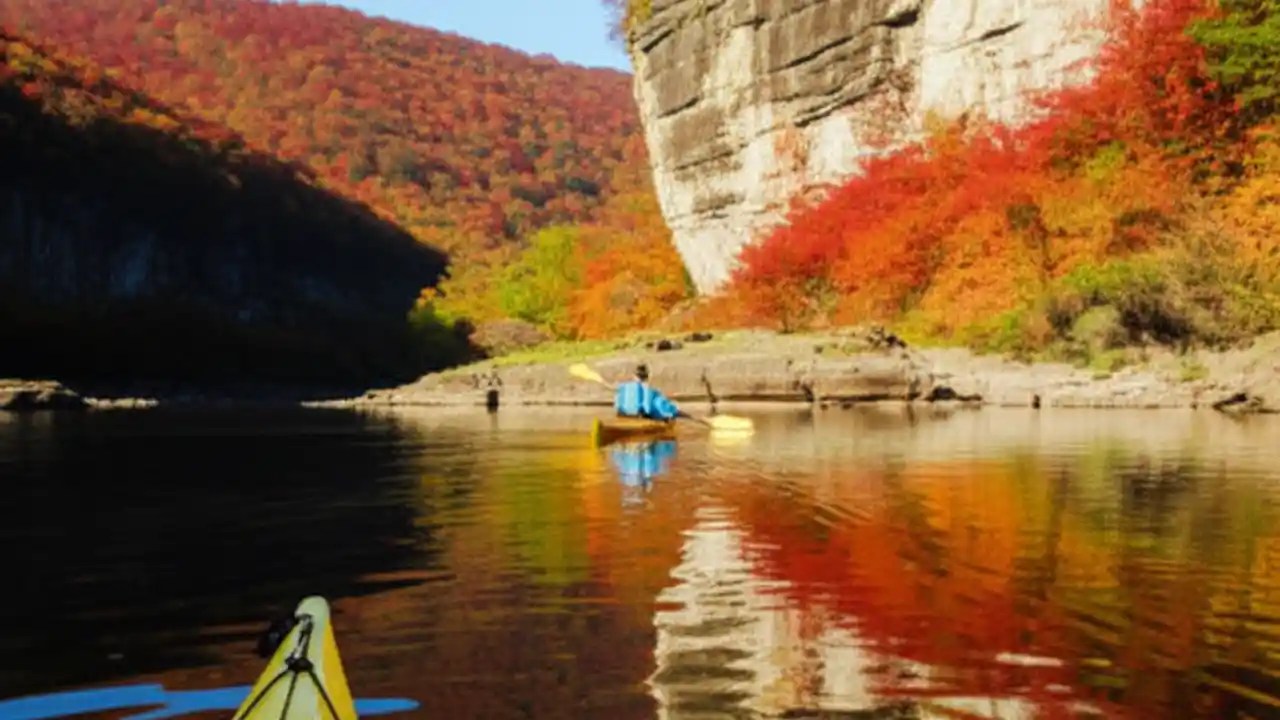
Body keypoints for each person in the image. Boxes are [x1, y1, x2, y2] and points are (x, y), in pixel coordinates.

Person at [615, 363, 681, 422]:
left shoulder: (623, 388)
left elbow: (617, 405)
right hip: (641, 416)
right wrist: (674, 410)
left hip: (623, 415)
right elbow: (656, 407)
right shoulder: (649, 390)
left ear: (634, 376)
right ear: (647, 376)